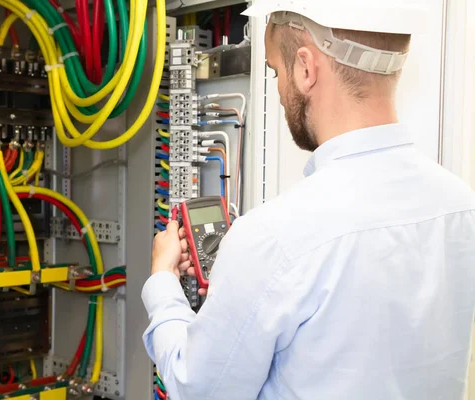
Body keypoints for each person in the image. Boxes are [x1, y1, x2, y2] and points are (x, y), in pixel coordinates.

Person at [142, 1, 475, 399]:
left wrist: (163, 282)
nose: (281, 93)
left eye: (275, 72)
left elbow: (197, 388)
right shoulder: (460, 206)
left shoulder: (272, 238)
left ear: (305, 68)